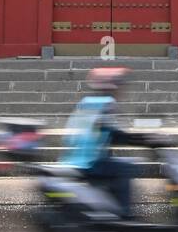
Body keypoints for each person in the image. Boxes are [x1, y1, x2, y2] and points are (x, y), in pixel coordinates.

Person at [59, 64, 149, 218]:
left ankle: (106, 205)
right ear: (112, 87)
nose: (122, 90)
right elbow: (114, 134)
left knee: (114, 163)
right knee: (127, 167)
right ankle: (124, 215)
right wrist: (142, 139)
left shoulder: (85, 102)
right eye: (120, 85)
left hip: (71, 159)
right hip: (90, 162)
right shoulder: (107, 103)